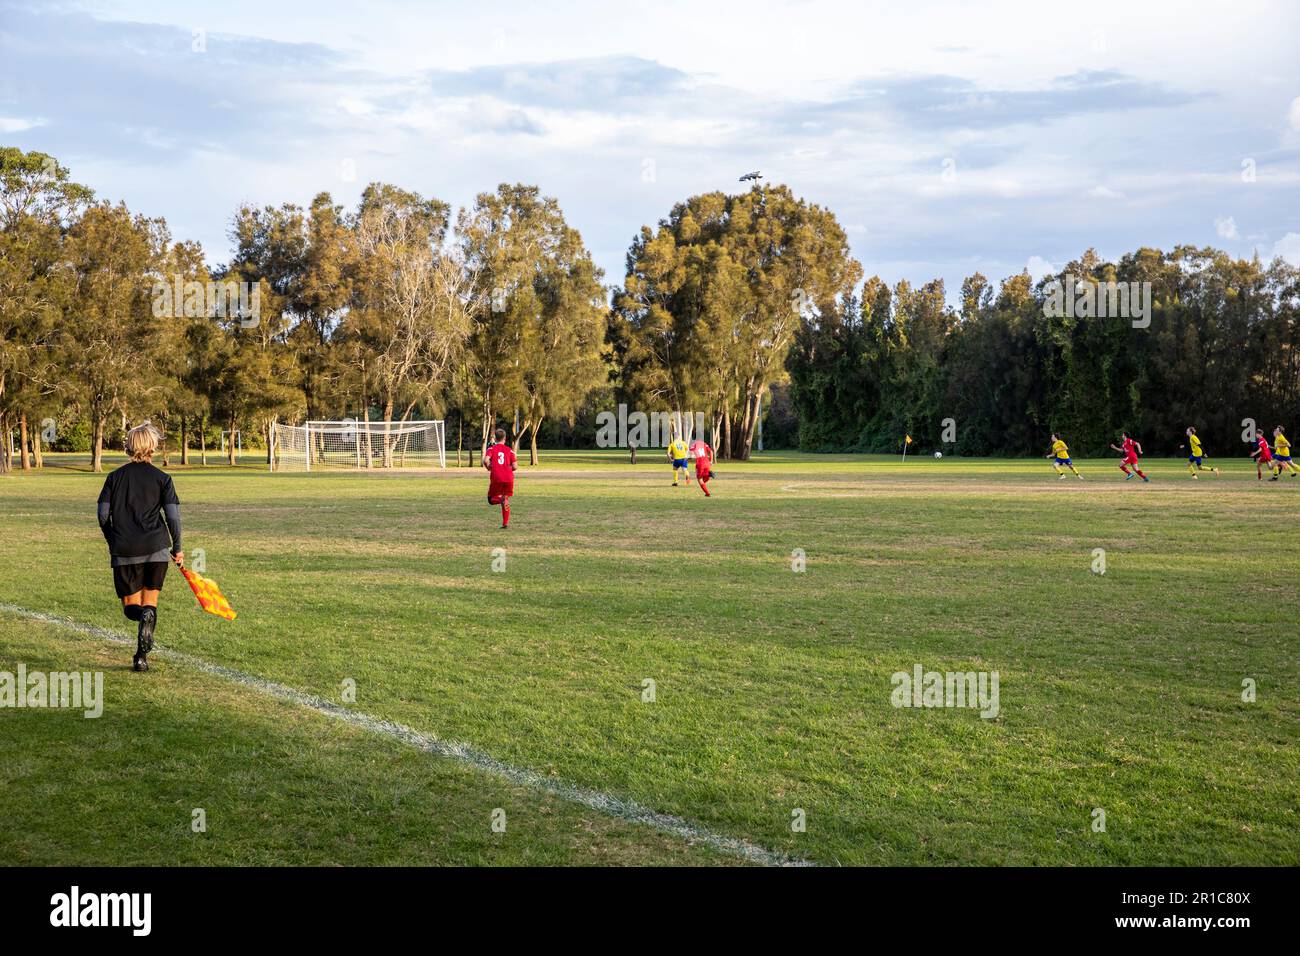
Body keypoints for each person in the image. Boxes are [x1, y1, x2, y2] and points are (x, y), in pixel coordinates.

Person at [96, 421, 183, 672]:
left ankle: (140, 622)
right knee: (150, 605)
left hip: (125, 550)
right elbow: (173, 517)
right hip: (157, 548)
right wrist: (177, 548)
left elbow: (103, 516)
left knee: (131, 608)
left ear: (128, 447)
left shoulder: (114, 478)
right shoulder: (163, 478)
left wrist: (112, 538)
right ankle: (141, 659)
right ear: (153, 448)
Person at [483, 428, 517, 527]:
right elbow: (515, 466)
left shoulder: (491, 449)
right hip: (509, 478)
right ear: (505, 438)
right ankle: (505, 523)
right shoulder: (510, 451)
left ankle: (501, 500)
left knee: (491, 499)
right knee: (505, 498)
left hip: (497, 477)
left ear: (496, 438)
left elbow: (485, 460)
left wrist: (489, 467)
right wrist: (507, 468)